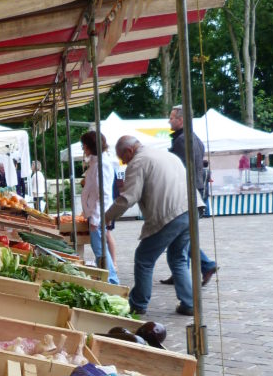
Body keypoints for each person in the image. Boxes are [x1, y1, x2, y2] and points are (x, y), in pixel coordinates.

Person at [104, 136, 202, 317]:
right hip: (192, 208)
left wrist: (107, 217)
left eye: (122, 158)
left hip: (170, 213)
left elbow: (129, 197)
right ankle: (189, 303)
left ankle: (138, 303)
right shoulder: (166, 155)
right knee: (178, 258)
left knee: (144, 259)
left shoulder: (138, 161)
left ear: (129, 151)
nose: (123, 162)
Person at [162, 105, 217, 286]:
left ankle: (205, 264)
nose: (169, 120)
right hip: (195, 191)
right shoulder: (193, 139)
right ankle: (181, 272)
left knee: (181, 234)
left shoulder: (183, 140)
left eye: (172, 118)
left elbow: (180, 170)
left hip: (188, 192)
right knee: (182, 234)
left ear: (181, 120)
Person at [79, 130, 119, 284]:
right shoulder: (96, 164)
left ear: (89, 147)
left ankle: (111, 281)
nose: (83, 149)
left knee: (100, 251)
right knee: (100, 250)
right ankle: (110, 279)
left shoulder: (101, 165)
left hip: (98, 215)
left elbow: (103, 195)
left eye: (84, 146)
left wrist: (95, 217)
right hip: (95, 214)